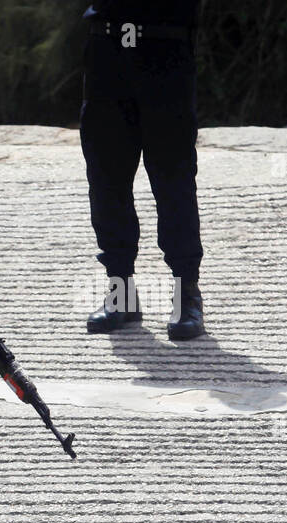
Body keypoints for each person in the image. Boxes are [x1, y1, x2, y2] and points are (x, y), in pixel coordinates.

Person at [80, 0, 204, 340]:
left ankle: (186, 294)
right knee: (106, 178)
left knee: (173, 179)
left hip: (166, 52)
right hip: (107, 51)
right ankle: (120, 293)